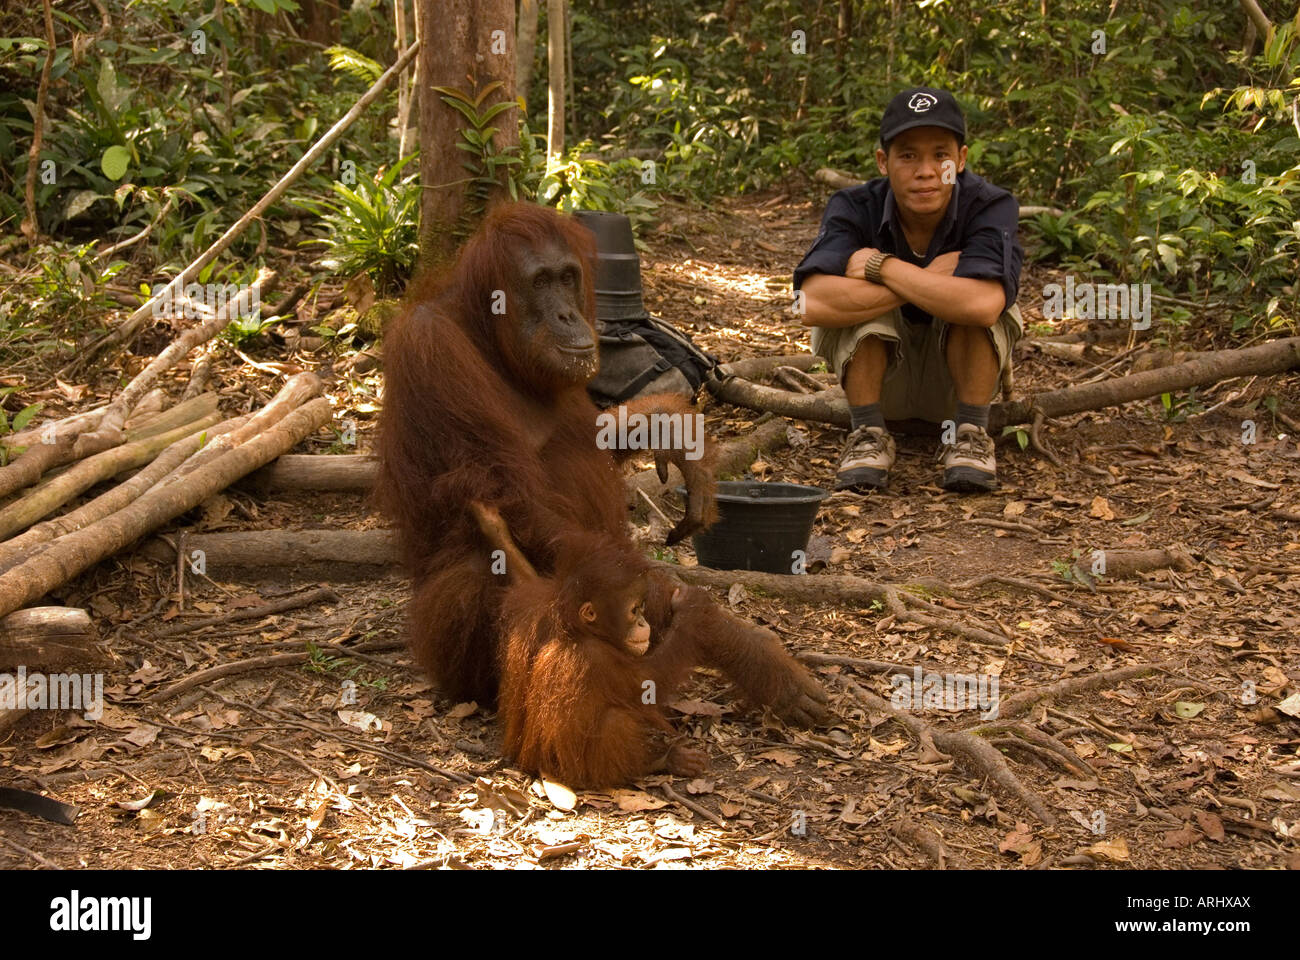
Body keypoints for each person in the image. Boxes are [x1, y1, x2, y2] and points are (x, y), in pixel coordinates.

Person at [794, 87, 1024, 492]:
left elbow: (985, 306)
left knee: (981, 298)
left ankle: (970, 435)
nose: (926, 171)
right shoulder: (854, 205)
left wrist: (881, 268)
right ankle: (867, 434)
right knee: (865, 302)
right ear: (884, 162)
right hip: (885, 389)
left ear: (962, 159)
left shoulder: (989, 205)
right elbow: (809, 302)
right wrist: (928, 278)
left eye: (941, 155)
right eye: (908, 156)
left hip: (954, 389)